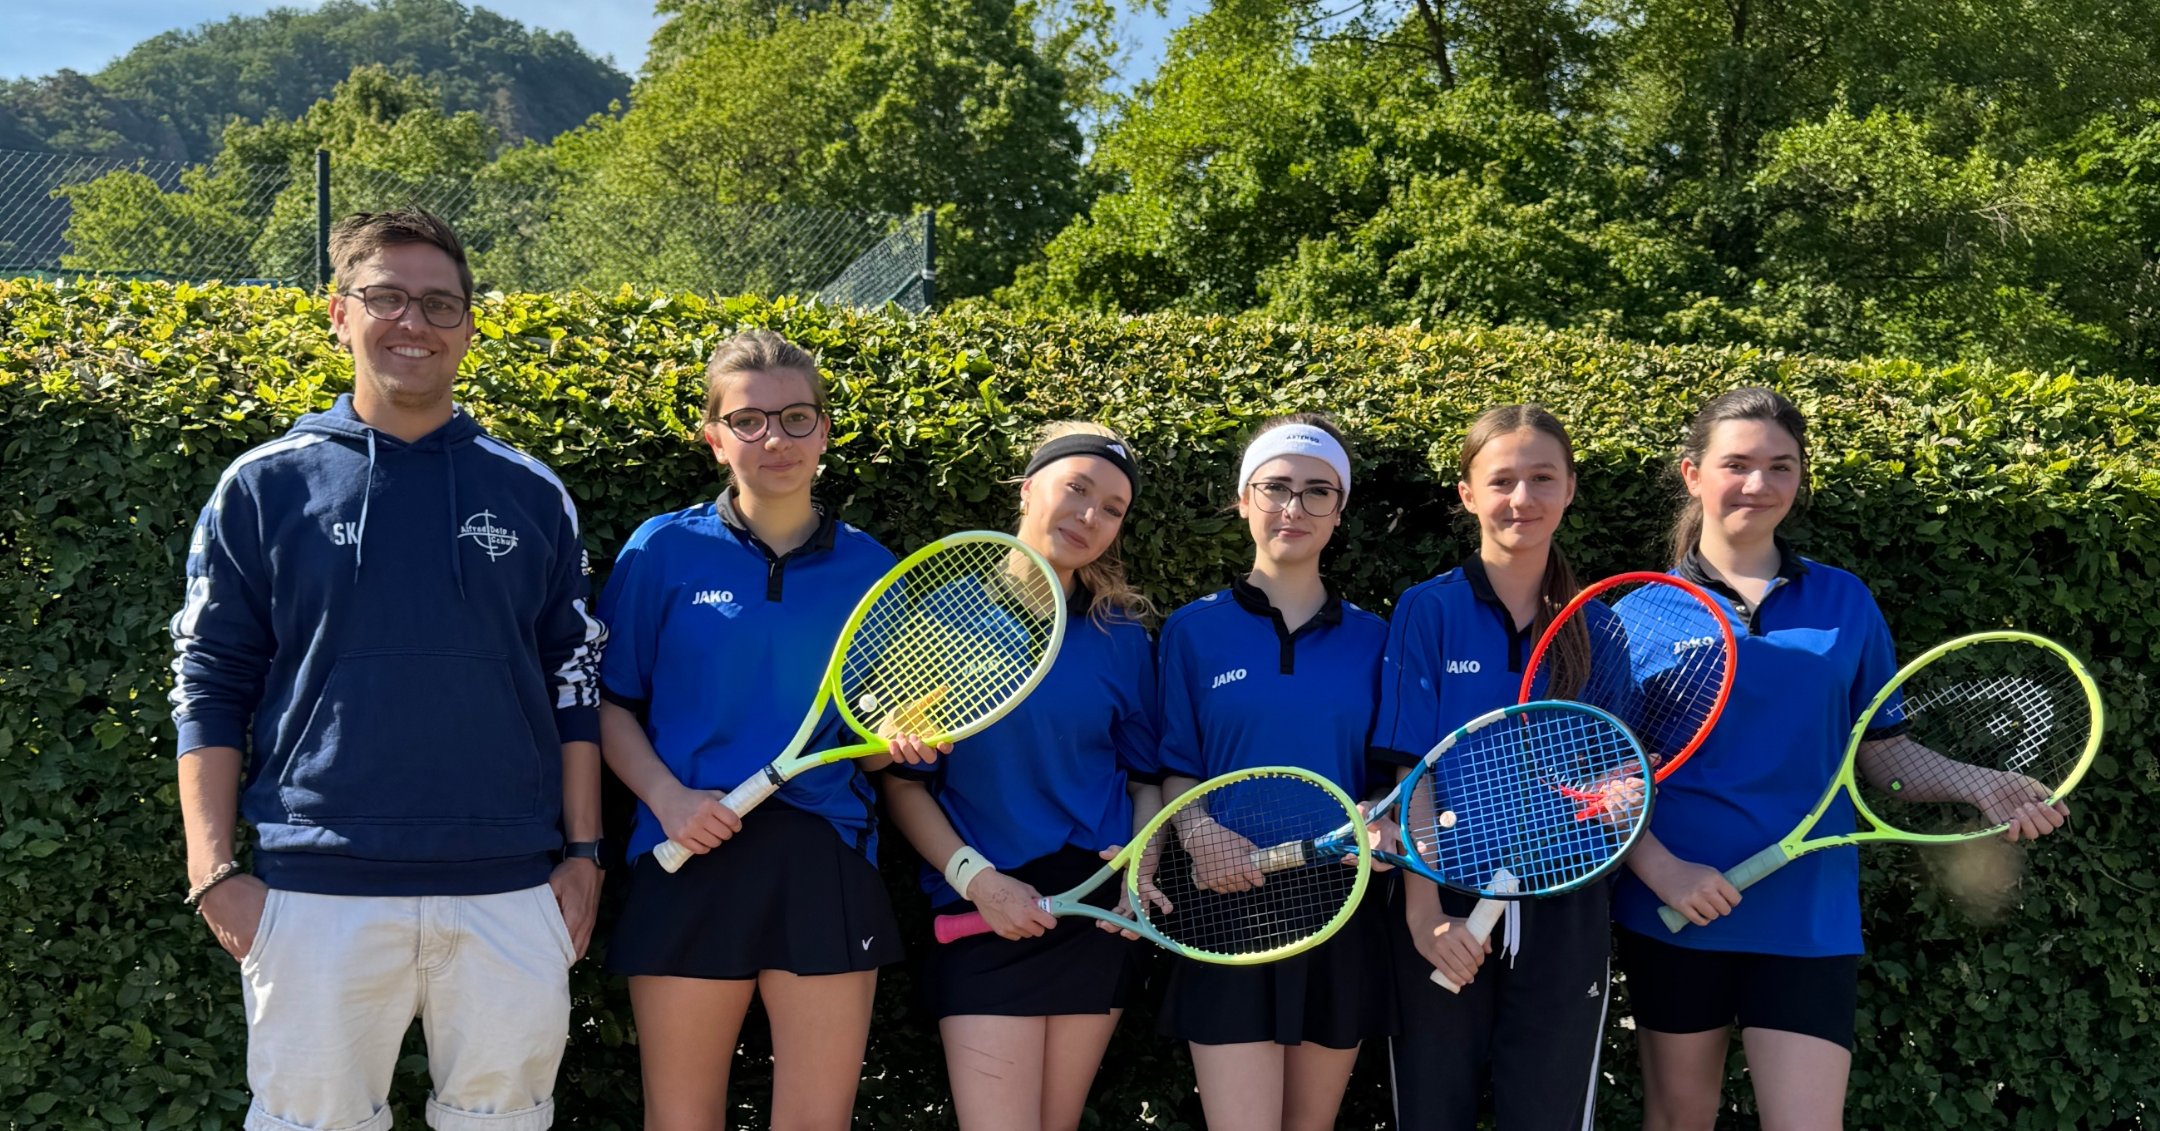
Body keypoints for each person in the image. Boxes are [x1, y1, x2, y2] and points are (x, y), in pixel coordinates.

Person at [170, 207, 606, 1131]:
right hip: (316, 890)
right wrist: (213, 871)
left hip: (509, 889)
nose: (415, 322)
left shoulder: (531, 492)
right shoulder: (264, 484)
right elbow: (209, 678)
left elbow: (574, 682)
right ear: (340, 313)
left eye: (440, 304)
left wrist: (584, 853)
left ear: (470, 327)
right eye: (388, 297)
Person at [1611, 387, 2069, 1131]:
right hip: (1677, 908)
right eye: (1738, 464)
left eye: (1781, 466)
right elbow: (1606, 781)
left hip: (1809, 908)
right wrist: (1663, 868)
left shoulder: (1845, 601)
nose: (1759, 483)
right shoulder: (1636, 614)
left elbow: (1879, 757)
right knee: (1677, 1119)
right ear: (1693, 473)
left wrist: (1981, 785)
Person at [594, 330, 938, 1130]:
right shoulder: (663, 549)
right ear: (715, 438)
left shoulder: (874, 568)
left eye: (795, 417)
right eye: (748, 421)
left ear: (825, 429)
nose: (774, 438)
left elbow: (888, 718)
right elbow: (609, 705)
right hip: (688, 850)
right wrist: (669, 798)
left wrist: (904, 736)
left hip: (826, 851)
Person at [880, 422, 1166, 1131]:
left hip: (1092, 906)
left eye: (1112, 507)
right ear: (1029, 486)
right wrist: (976, 878)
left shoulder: (1121, 635)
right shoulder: (943, 617)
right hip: (984, 907)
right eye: (1077, 489)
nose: (1090, 516)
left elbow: (1144, 780)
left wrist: (1139, 870)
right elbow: (901, 781)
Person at [1371, 403, 1615, 1130]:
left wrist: (1622, 794)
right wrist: (1423, 913)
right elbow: (1411, 771)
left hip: (1565, 909)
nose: (1522, 498)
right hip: (1443, 906)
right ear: (1467, 494)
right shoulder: (1427, 609)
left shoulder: (1598, 622)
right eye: (1502, 479)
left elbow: (1614, 766)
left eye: (1543, 478)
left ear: (1570, 488)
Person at [1154, 414, 1393, 1131]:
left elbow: (1388, 778)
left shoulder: (1378, 638)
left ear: (1339, 512)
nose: (1294, 507)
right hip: (1224, 898)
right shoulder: (1191, 630)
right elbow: (1173, 766)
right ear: (1242, 500)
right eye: (1276, 487)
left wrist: (1379, 826)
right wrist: (1199, 836)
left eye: (1317, 492)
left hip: (1339, 904)